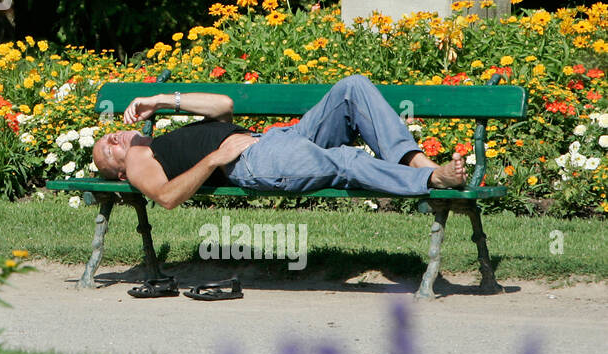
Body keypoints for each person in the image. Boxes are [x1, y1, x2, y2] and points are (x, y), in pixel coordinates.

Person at [90, 74, 467, 210]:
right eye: (108, 152)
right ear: (120, 173)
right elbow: (167, 198)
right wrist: (214, 160)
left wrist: (160, 100)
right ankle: (431, 181)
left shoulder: (161, 141)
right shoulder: (140, 161)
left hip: (276, 140)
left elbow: (223, 105)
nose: (111, 139)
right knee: (345, 160)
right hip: (255, 162)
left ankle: (418, 164)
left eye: (106, 139)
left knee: (353, 88)